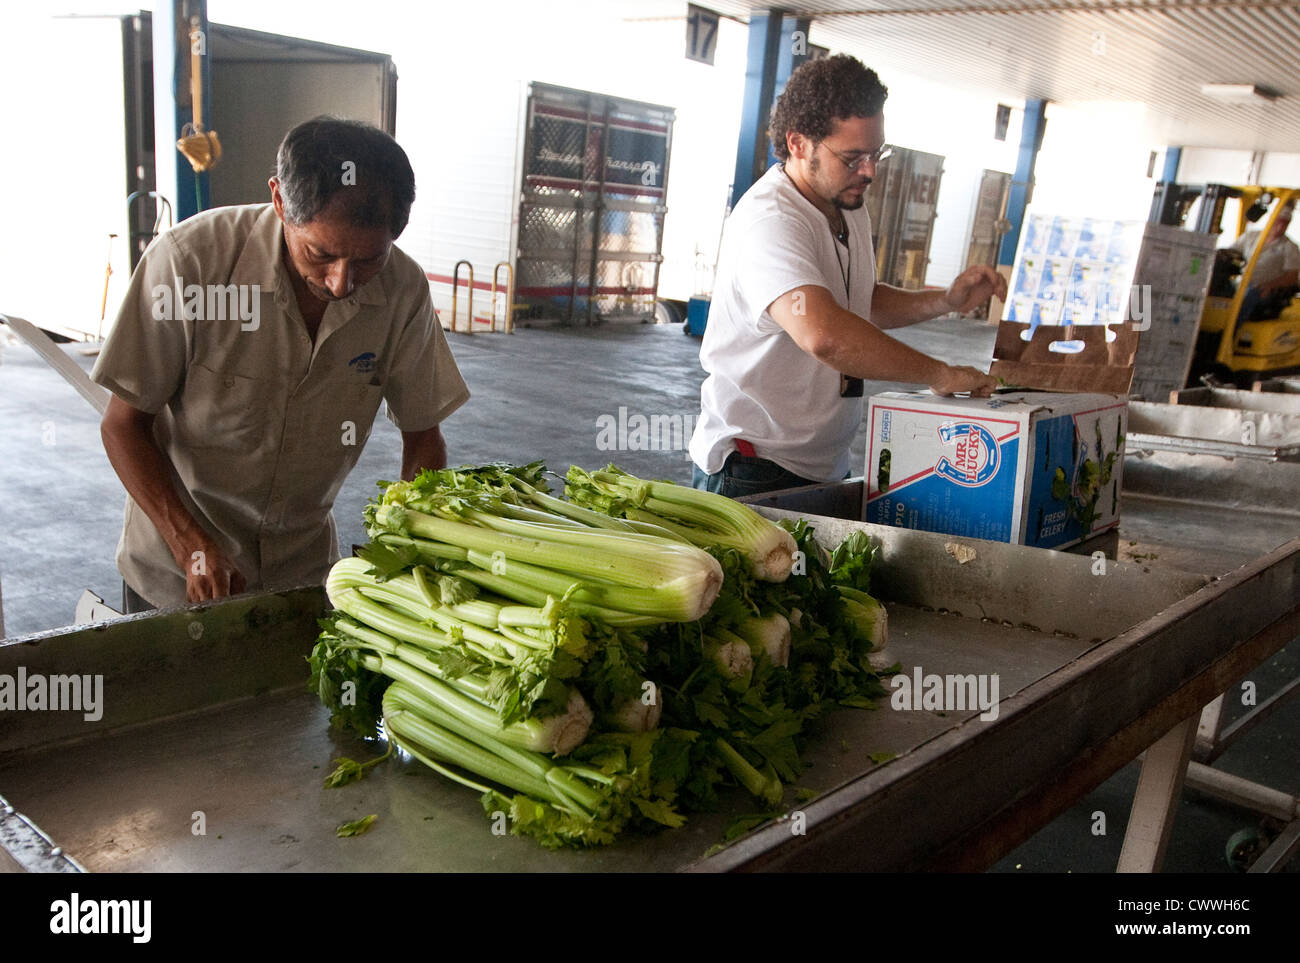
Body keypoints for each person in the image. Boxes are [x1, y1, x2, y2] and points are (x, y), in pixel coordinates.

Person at [93, 117, 469, 611]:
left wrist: (409, 547)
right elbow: (123, 426)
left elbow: (423, 436)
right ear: (278, 201)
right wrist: (192, 549)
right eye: (321, 254)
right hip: (175, 574)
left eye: (367, 261)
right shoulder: (192, 266)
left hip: (303, 572)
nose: (341, 282)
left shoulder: (402, 289)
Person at [690, 55, 1005, 499]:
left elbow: (861, 301)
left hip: (823, 465)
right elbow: (825, 334)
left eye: (877, 153)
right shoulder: (772, 221)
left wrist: (945, 302)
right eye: (853, 157)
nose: (870, 171)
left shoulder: (845, 202)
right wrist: (937, 372)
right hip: (755, 467)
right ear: (798, 143)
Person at [1231, 200, 1299, 321]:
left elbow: (1292, 276)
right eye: (1278, 222)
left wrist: (1270, 286)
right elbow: (1231, 253)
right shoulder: (1250, 237)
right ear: (1270, 220)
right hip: (1241, 283)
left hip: (1263, 289)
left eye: (1285, 224)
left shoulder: (1289, 247)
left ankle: (1229, 332)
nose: (1280, 227)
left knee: (1248, 296)